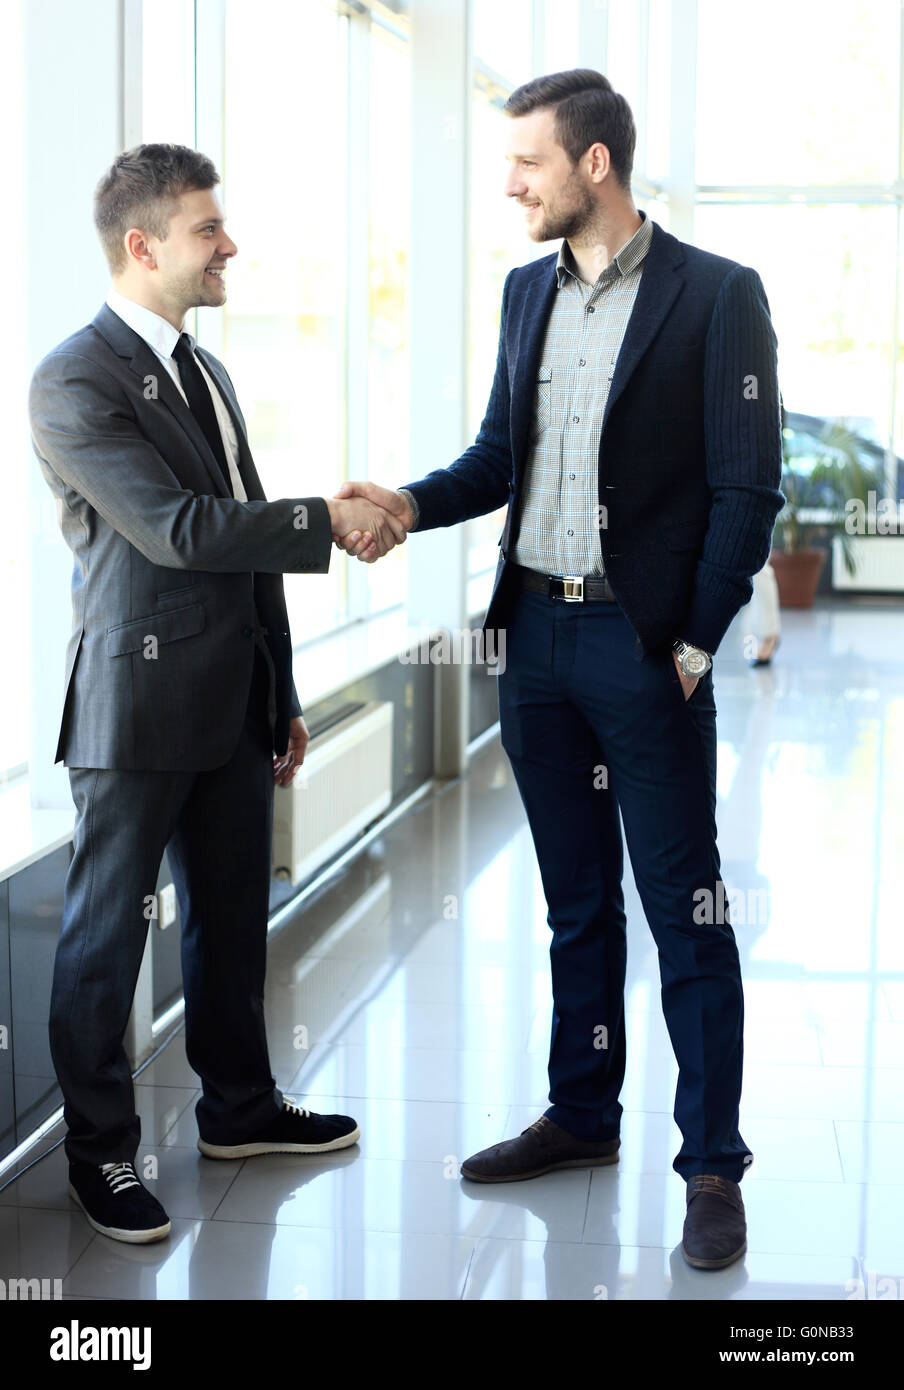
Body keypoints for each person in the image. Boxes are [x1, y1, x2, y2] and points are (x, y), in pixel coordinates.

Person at [335, 69, 784, 1270]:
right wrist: (407, 504)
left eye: (527, 161)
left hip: (642, 649)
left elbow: (750, 487)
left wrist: (692, 640)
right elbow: (498, 456)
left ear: (595, 164)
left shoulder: (719, 298)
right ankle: (583, 1113)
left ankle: (709, 1165)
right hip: (531, 637)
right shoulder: (525, 292)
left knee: (686, 911)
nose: (511, 184)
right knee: (573, 904)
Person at [28, 143, 404, 1245]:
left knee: (235, 920)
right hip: (136, 710)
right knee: (105, 935)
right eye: (207, 228)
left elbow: (233, 539)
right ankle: (101, 1155)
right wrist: (323, 516)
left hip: (233, 697)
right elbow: (180, 532)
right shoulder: (72, 379)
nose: (229, 243)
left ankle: (239, 1110)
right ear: (142, 247)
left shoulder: (204, 367)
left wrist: (279, 684)